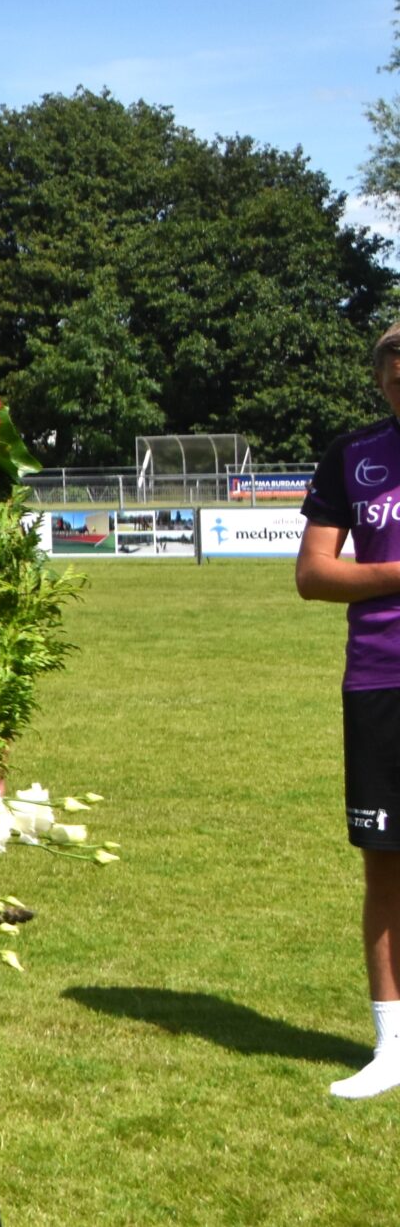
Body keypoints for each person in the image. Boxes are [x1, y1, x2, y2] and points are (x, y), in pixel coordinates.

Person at [295, 321, 400, 1099]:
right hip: (378, 680)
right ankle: (393, 1045)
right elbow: (314, 573)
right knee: (386, 865)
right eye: (394, 367)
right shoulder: (353, 454)